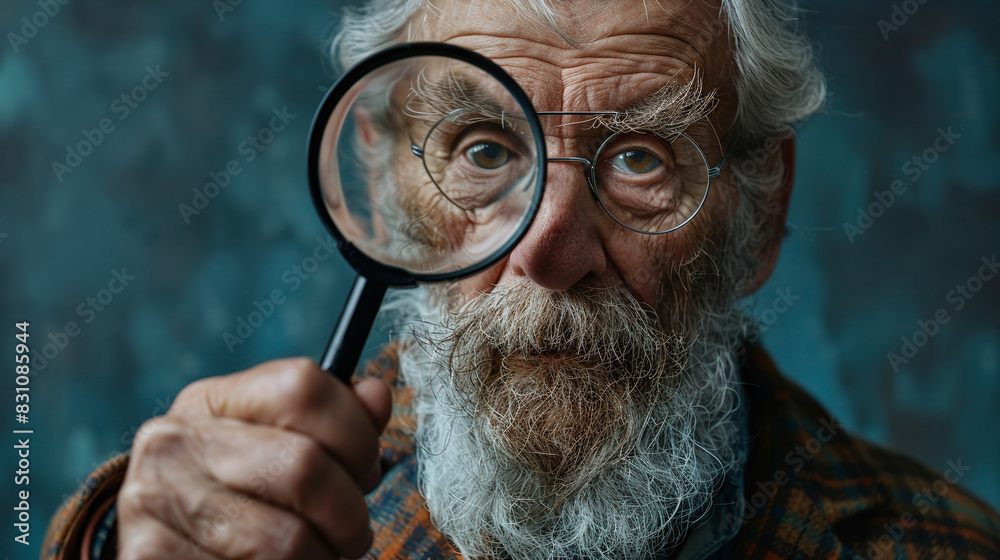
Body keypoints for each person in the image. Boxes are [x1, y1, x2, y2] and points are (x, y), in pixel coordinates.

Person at [43, 0, 1000, 559]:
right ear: (380, 187)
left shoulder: (948, 547)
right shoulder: (223, 532)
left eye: (639, 160)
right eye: (484, 146)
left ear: (760, 212)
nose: (547, 251)